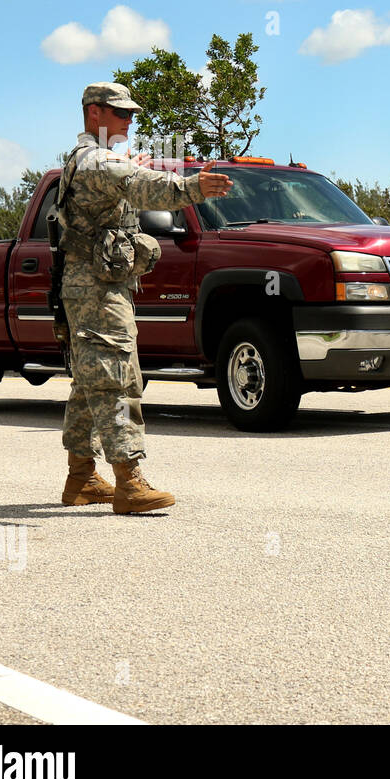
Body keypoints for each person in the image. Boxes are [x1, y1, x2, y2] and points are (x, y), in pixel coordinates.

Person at [59, 82, 232, 514]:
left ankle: (81, 477)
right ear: (94, 114)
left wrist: (127, 167)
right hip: (97, 288)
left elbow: (123, 181)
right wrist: (194, 188)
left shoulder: (88, 159)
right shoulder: (98, 161)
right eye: (121, 114)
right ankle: (129, 483)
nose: (129, 121)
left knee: (89, 378)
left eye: (131, 114)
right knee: (117, 376)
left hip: (89, 284)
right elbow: (144, 187)